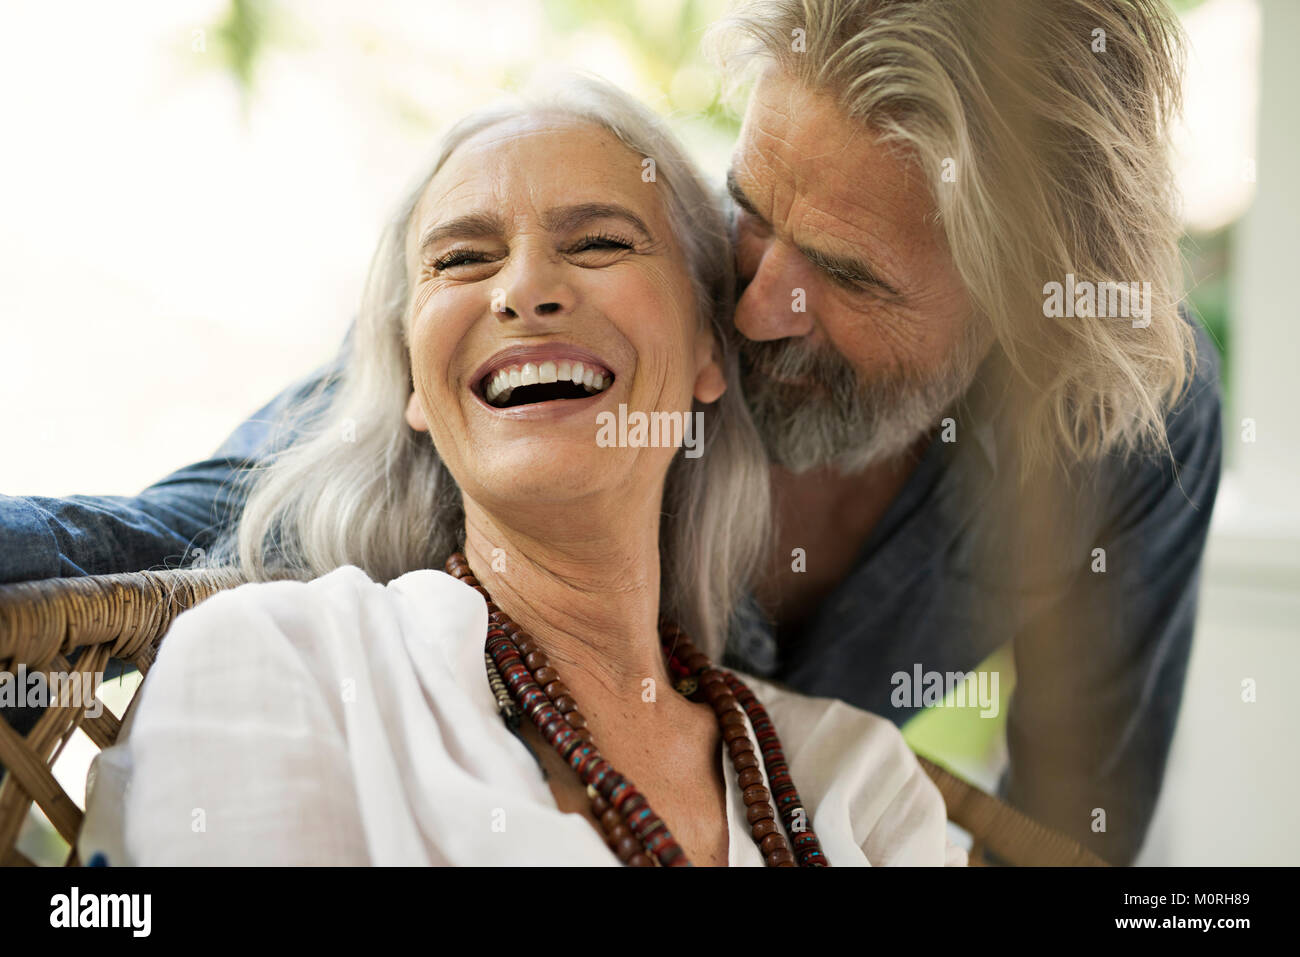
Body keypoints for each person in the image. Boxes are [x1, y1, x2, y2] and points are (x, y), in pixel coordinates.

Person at [4, 0, 1219, 865]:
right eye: (753, 208)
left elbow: (1075, 830)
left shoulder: (1125, 445)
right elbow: (159, 535)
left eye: (847, 275)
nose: (753, 306)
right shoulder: (635, 278)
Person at [75, 76, 966, 867]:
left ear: (708, 347)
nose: (525, 288)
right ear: (414, 380)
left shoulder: (861, 781)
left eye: (600, 244)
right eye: (462, 259)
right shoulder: (282, 657)